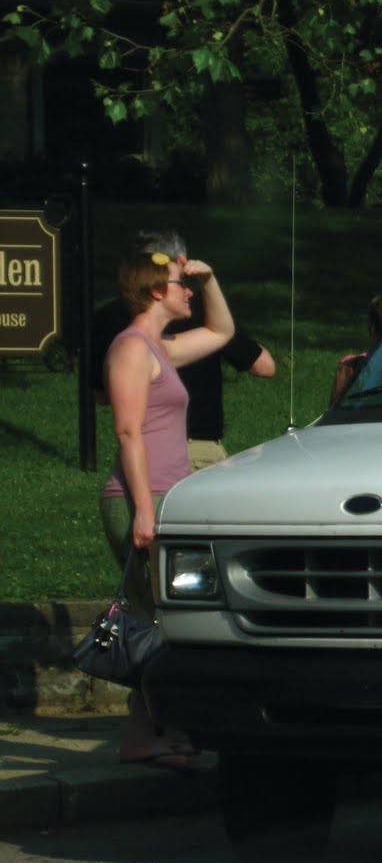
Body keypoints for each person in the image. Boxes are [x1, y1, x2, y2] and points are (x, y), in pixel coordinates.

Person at [101, 249, 235, 768]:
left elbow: (222, 332)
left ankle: (149, 732)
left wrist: (211, 276)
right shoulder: (132, 349)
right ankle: (143, 736)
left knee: (159, 620)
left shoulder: (159, 347)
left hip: (164, 497)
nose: (189, 293)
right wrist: (142, 508)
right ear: (156, 290)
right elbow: (128, 430)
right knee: (158, 621)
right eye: (181, 285)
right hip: (142, 498)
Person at [91, 228, 275, 472]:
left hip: (149, 453)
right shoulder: (140, 344)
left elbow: (101, 396)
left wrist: (208, 280)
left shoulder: (111, 321)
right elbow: (264, 365)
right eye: (181, 283)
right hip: (185, 452)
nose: (188, 291)